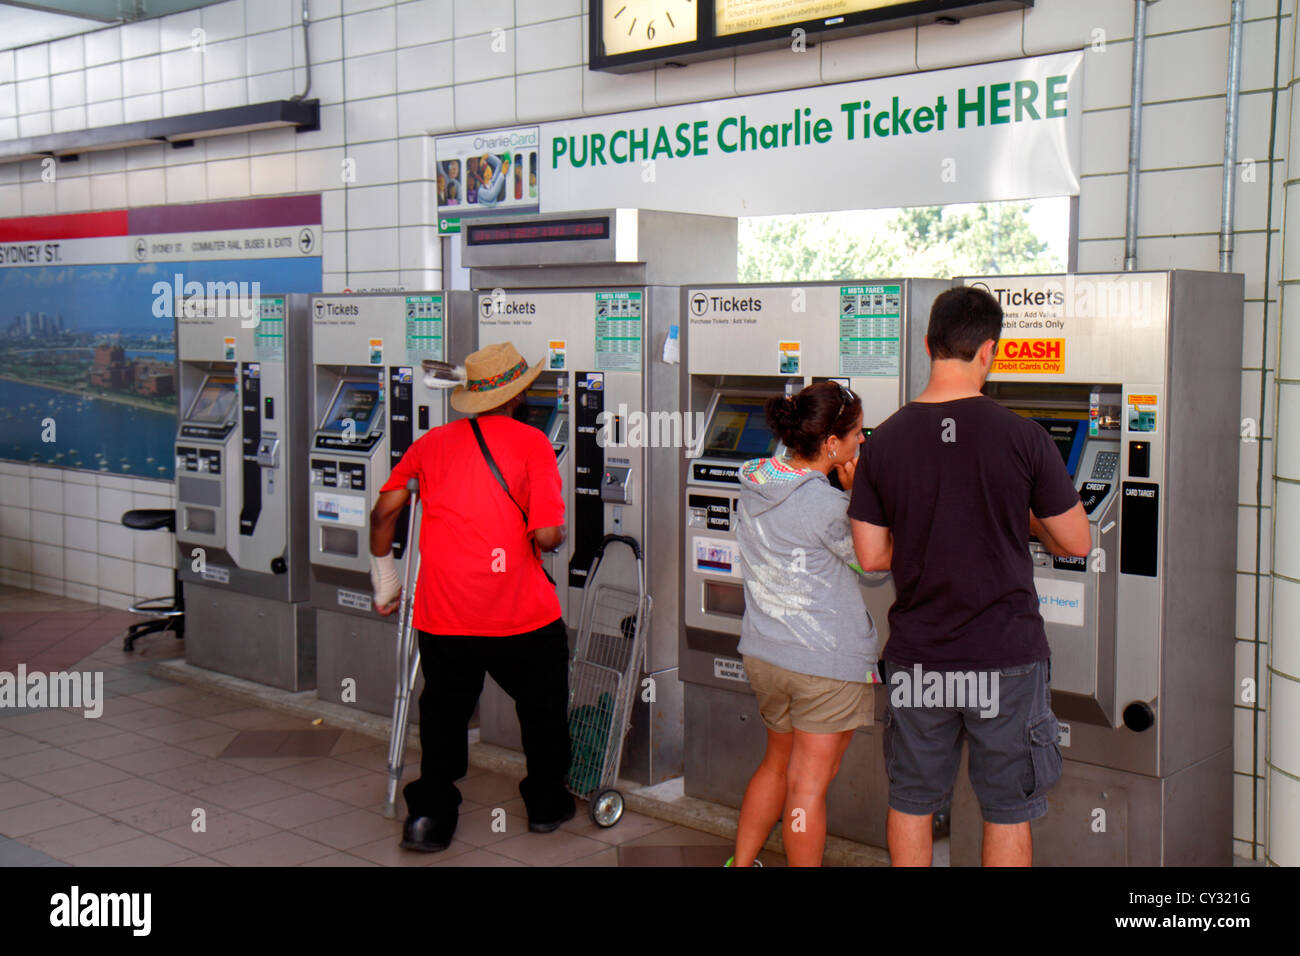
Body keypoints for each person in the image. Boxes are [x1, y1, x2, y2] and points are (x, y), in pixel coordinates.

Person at [848, 286, 1091, 867]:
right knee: (1006, 808)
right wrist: (1017, 513)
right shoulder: (1024, 436)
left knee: (912, 800)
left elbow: (871, 557)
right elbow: (1077, 542)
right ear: (989, 351)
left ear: (928, 345)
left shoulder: (884, 442)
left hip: (919, 658)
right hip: (1004, 657)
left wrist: (925, 527)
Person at [369, 342, 574, 851]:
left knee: (444, 712)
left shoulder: (431, 443)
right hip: (519, 612)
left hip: (444, 612)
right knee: (543, 707)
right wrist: (549, 535)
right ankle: (546, 804)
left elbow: (384, 512)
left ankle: (429, 818)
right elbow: (548, 534)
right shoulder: (533, 443)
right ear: (518, 394)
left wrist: (385, 577)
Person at [728, 381, 879, 867]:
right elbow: (875, 563)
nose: (862, 440)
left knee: (777, 765)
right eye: (857, 433)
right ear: (831, 443)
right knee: (808, 786)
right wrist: (861, 500)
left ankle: (741, 863)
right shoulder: (828, 506)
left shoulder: (754, 482)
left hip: (766, 653)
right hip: (823, 665)